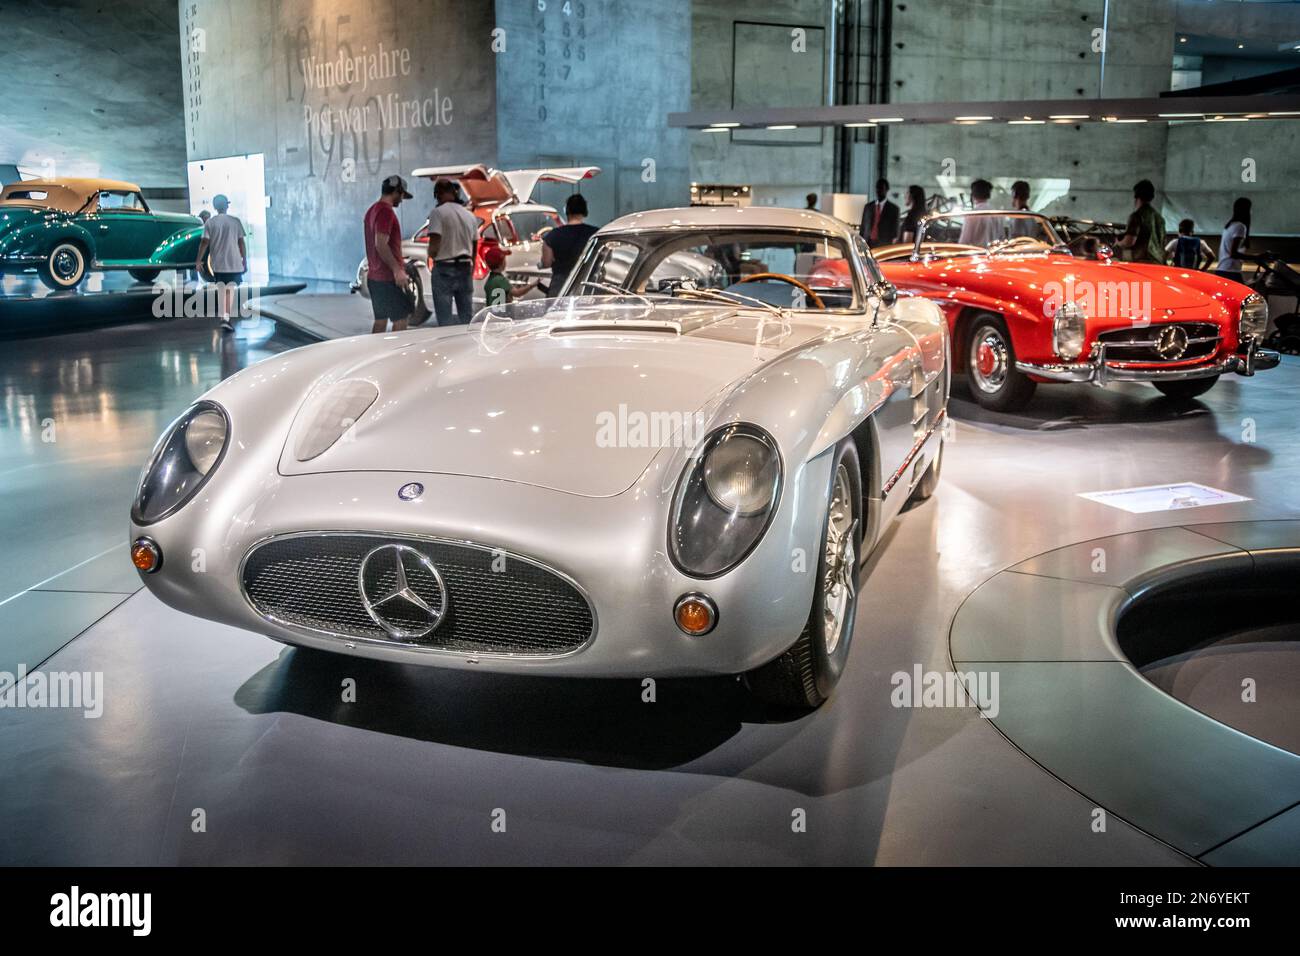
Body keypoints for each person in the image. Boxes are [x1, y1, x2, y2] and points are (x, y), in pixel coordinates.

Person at [363, 174, 414, 334]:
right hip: (387, 278)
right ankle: (396, 356)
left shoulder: (372, 210)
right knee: (401, 319)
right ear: (396, 191)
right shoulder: (386, 211)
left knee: (381, 321)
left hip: (375, 277)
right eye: (402, 195)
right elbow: (381, 244)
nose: (402, 200)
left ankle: (375, 355)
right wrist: (397, 270)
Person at [427, 178, 480, 325]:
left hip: (444, 268)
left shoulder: (437, 213)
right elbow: (475, 245)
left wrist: (431, 253)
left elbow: (434, 246)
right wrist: (472, 266)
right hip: (465, 267)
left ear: (438, 194)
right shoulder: (469, 215)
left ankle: (448, 347)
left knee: (445, 318)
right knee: (466, 317)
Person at [195, 193, 246, 332]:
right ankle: (225, 318)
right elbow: (241, 243)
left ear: (214, 207)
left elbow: (204, 243)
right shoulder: (235, 221)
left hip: (218, 264)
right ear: (227, 205)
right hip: (234, 263)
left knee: (222, 290)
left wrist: (198, 260)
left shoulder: (210, 223)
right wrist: (244, 261)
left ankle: (224, 317)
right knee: (229, 291)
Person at [542, 194, 598, 296]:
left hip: (560, 287)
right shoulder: (595, 234)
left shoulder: (553, 235)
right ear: (585, 211)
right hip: (586, 287)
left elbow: (546, 262)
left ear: (567, 211)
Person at [1116, 179, 1166, 264]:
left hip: (1142, 262)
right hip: (1158, 261)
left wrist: (1118, 243)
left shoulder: (1137, 216)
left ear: (1136, 196)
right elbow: (1162, 242)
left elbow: (1129, 242)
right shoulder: (1160, 218)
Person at [1215, 198, 1252, 284]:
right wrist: (1258, 257)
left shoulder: (1230, 225)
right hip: (1230, 271)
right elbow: (1234, 254)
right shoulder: (1240, 227)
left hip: (1222, 270)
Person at [859, 178, 899, 247]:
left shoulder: (893, 209)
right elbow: (863, 227)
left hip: (884, 243)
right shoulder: (868, 207)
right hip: (868, 242)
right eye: (877, 188)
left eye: (881, 188)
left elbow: (895, 231)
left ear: (886, 190)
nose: (878, 191)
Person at [958, 178, 996, 247]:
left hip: (977, 255)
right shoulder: (998, 214)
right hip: (995, 255)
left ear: (973, 195)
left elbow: (964, 242)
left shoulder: (971, 215)